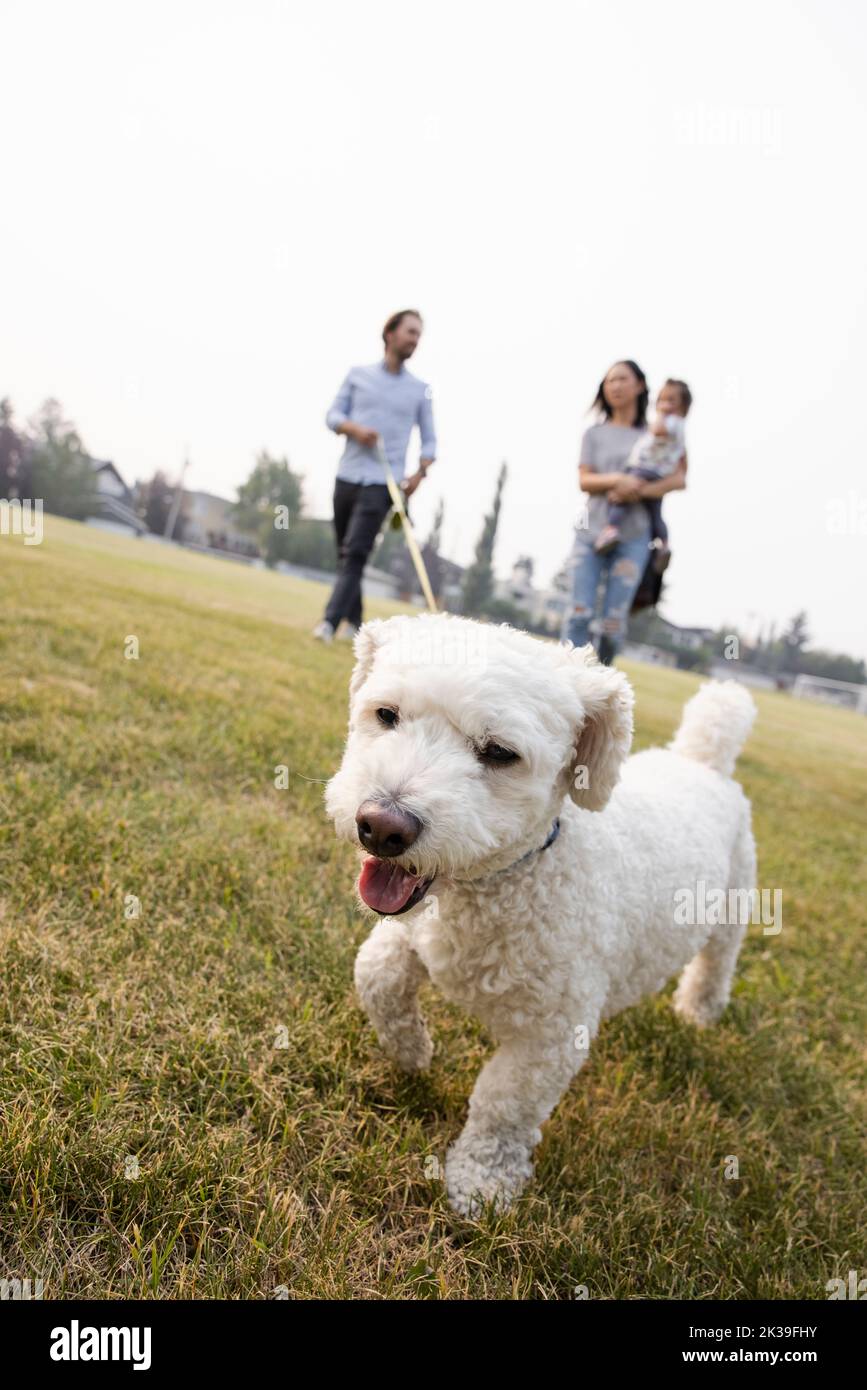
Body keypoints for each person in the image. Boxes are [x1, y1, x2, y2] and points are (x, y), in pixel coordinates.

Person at [312, 309, 437, 642]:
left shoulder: (420, 390)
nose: (415, 340)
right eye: (411, 332)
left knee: (356, 552)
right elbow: (332, 415)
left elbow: (430, 440)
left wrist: (419, 475)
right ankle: (356, 621)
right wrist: (353, 429)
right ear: (390, 333)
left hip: (384, 482)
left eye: (419, 335)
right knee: (345, 551)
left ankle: (328, 623)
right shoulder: (358, 375)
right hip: (348, 475)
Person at [562, 359, 687, 665]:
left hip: (633, 535)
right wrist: (619, 480)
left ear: (640, 385)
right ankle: (567, 684)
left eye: (622, 379)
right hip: (590, 532)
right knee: (580, 612)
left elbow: (679, 478)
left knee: (613, 624)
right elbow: (585, 480)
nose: (615, 386)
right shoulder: (594, 434)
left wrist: (638, 490)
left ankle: (602, 687)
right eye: (609, 381)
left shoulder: (656, 431)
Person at [594, 377, 692, 562]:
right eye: (661, 400)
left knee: (619, 500)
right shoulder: (679, 430)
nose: (663, 404)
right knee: (655, 512)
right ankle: (663, 544)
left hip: (647, 468)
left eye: (670, 400)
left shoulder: (671, 422)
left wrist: (662, 415)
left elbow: (658, 432)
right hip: (660, 473)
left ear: (682, 407)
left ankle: (611, 529)